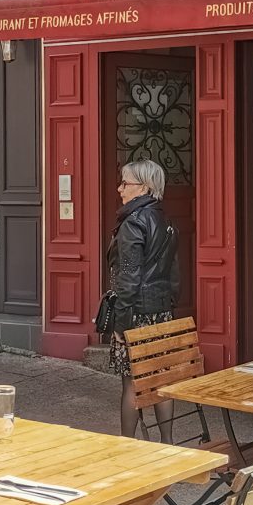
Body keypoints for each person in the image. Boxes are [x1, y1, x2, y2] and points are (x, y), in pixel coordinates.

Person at [106, 159, 180, 438]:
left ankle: (127, 444)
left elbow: (128, 278)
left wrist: (120, 325)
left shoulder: (133, 223)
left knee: (132, 383)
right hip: (160, 312)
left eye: (126, 183)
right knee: (159, 378)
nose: (119, 188)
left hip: (136, 313)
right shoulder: (165, 219)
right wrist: (168, 306)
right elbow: (174, 273)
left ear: (145, 188)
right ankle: (167, 442)